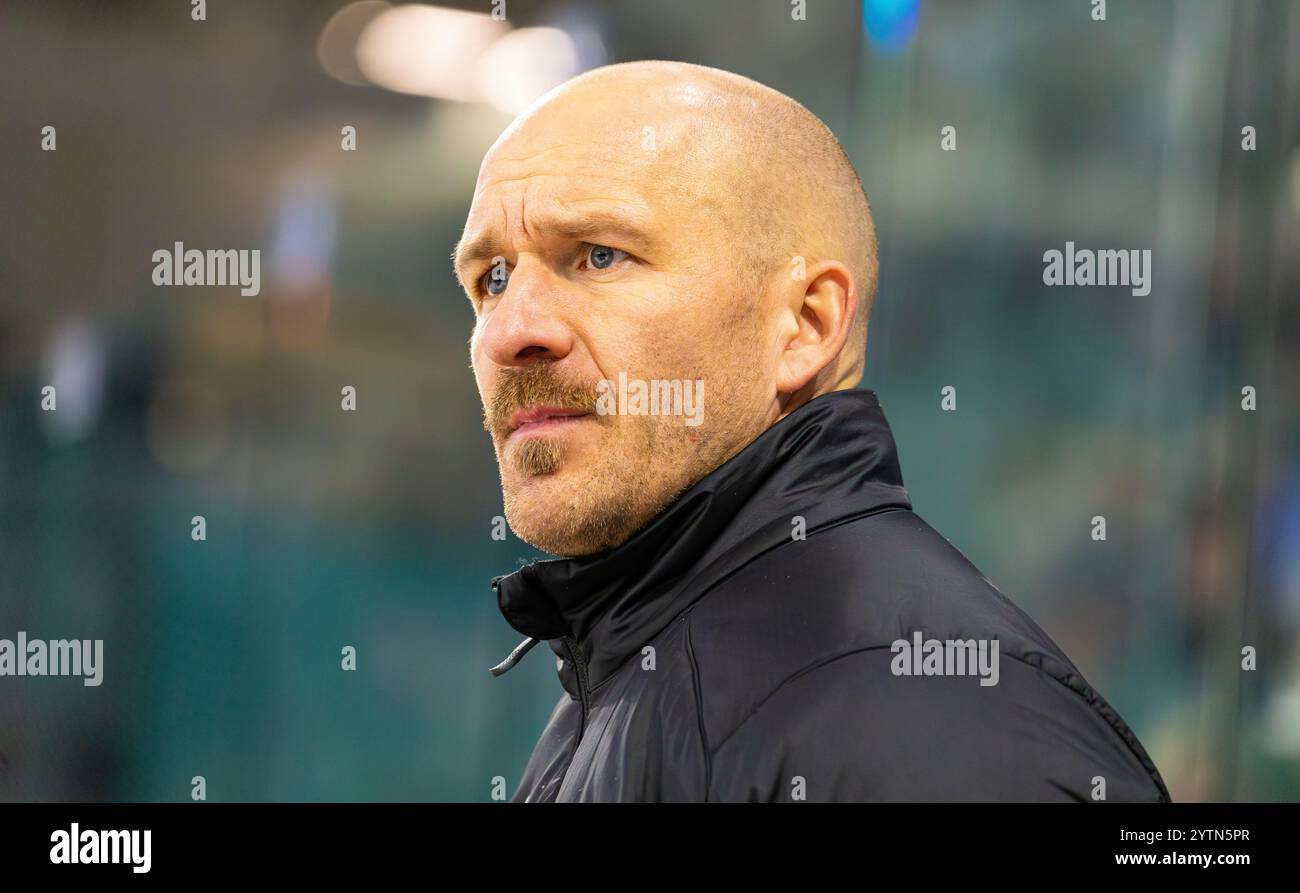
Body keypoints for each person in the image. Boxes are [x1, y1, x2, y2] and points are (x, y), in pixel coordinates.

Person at [453, 60, 1169, 802]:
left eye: (601, 256)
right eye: (493, 278)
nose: (508, 331)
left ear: (805, 324)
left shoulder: (923, 719)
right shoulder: (624, 678)